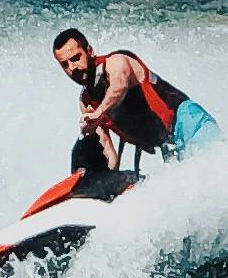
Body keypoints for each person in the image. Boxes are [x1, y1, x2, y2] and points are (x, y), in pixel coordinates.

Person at [51, 26, 207, 189]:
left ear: (89, 51)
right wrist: (104, 183)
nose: (72, 68)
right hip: (168, 144)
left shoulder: (116, 62)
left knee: (211, 169)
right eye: (65, 65)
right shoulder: (87, 102)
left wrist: (99, 113)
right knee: (185, 187)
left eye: (76, 58)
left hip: (188, 121)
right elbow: (109, 154)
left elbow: (119, 87)